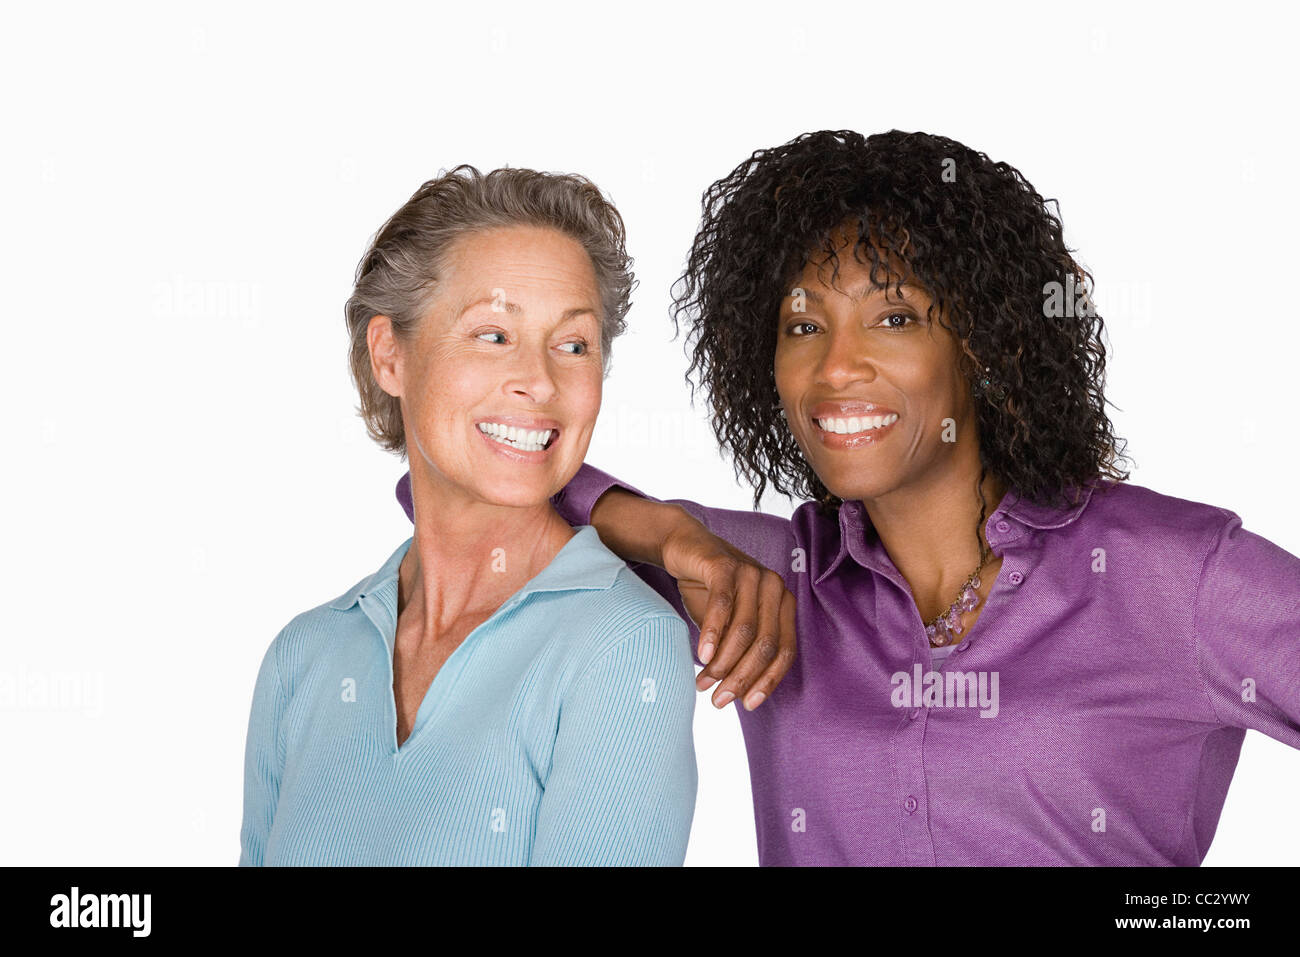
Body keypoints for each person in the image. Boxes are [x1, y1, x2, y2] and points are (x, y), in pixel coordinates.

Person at [398, 130, 1300, 865]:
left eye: (895, 317)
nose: (836, 367)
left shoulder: (1171, 575)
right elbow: (476, 485)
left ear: (983, 342)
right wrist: (673, 536)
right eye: (802, 325)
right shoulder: (763, 579)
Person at [241, 165, 702, 866]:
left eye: (574, 344)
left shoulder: (623, 647)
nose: (542, 380)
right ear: (390, 354)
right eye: (493, 334)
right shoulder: (302, 660)